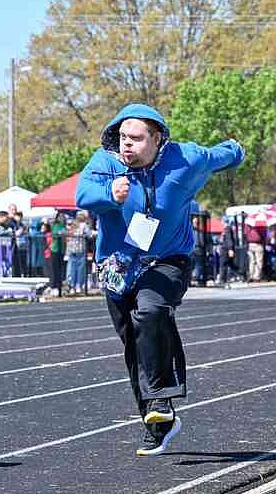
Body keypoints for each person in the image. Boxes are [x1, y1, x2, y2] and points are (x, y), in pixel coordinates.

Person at [76, 103, 244, 456]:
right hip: (119, 263)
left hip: (169, 259)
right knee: (134, 342)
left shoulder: (185, 160)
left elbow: (223, 156)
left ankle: (163, 399)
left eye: (135, 139)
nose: (126, 145)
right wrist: (110, 195)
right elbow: (82, 195)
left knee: (151, 310)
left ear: (157, 139)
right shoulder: (106, 163)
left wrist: (236, 150)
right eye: (123, 137)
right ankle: (156, 422)